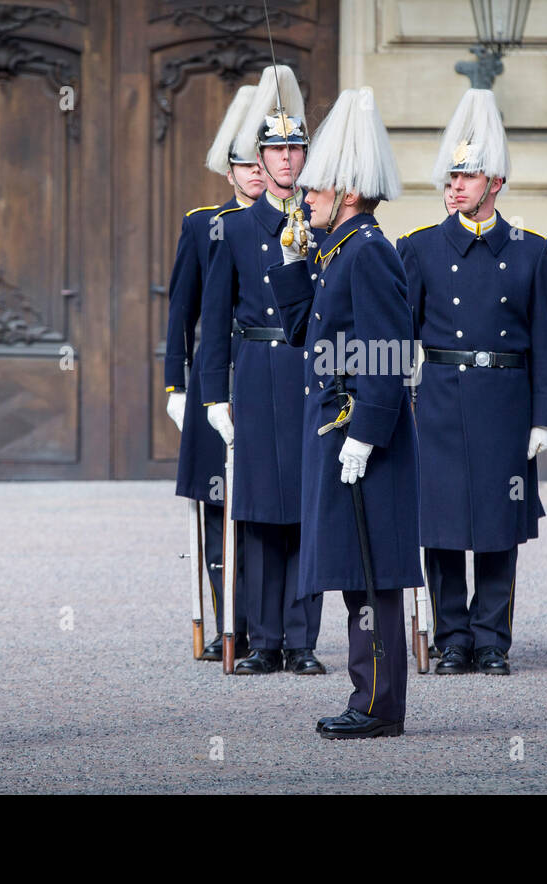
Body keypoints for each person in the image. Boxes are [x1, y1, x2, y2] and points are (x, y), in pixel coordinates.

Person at [267, 86, 419, 738]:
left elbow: (390, 350)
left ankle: (378, 704)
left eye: (318, 189)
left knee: (372, 574)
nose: (306, 197)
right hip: (340, 430)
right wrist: (293, 263)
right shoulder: (335, 251)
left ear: (350, 191)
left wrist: (366, 434)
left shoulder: (370, 251)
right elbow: (308, 332)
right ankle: (369, 696)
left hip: (361, 434)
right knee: (355, 571)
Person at [397, 88, 547, 676]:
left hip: (503, 402)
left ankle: (492, 637)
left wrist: (545, 417)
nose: (455, 186)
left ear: (494, 182)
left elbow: (545, 342)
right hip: (438, 399)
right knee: (440, 526)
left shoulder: (529, 252)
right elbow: (399, 336)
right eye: (450, 177)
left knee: (498, 525)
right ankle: (452, 636)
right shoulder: (418, 248)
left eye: (466, 177)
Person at [198, 65, 325, 675]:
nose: (285, 159)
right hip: (253, 369)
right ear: (260, 157)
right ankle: (264, 639)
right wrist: (212, 396)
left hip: (307, 372)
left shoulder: (321, 226)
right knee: (256, 514)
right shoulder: (234, 228)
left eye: (294, 149)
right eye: (275, 150)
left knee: (304, 508)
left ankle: (302, 643)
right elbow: (214, 316)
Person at [164, 84, 263, 661]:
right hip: (213, 383)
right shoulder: (204, 225)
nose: (255, 172)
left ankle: (269, 629)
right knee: (219, 504)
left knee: (268, 507)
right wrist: (177, 385)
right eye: (244, 163)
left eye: (262, 162)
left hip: (270, 376)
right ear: (229, 171)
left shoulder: (297, 223)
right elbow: (183, 313)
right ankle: (231, 623)